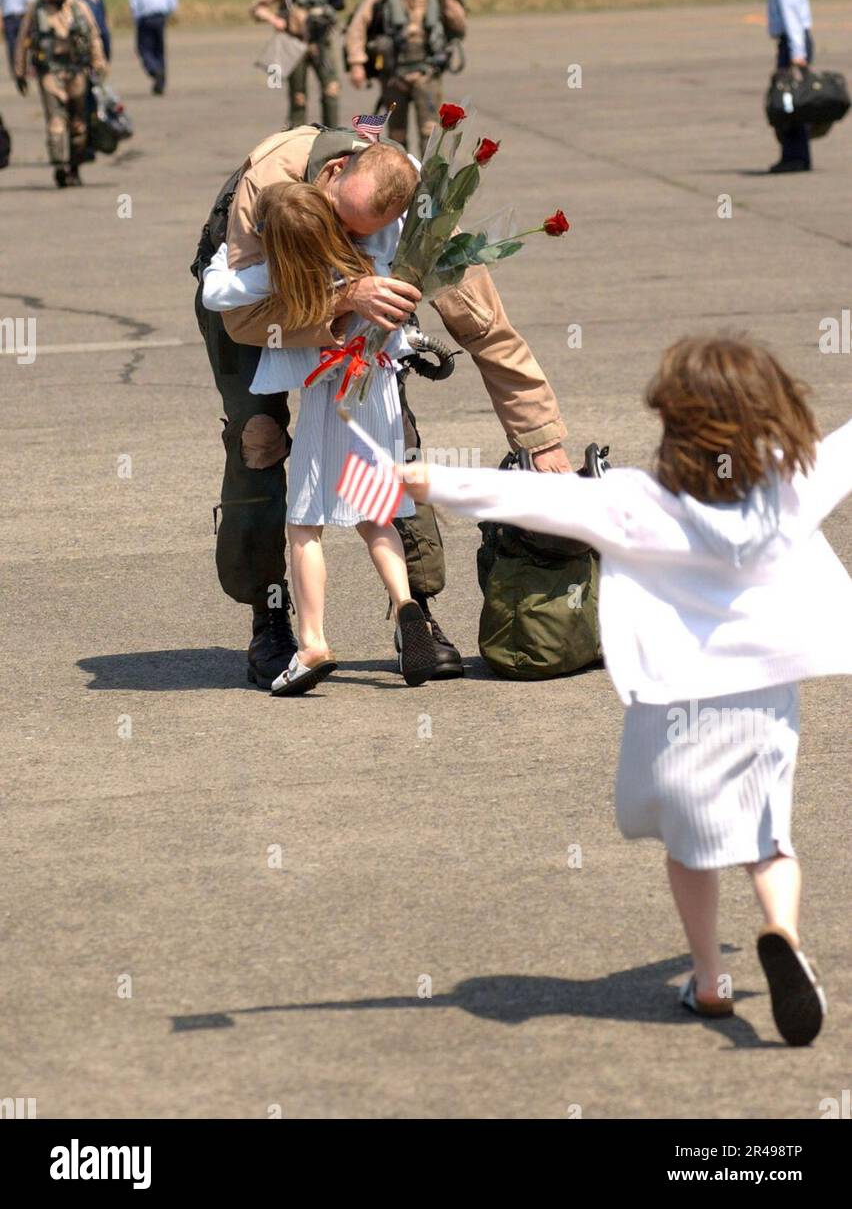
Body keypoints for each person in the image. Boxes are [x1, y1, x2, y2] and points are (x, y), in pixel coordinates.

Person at [399, 336, 852, 1047]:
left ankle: (708, 981)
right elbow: (845, 449)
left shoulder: (640, 502)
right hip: (763, 699)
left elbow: (532, 496)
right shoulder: (789, 490)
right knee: (769, 839)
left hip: (674, 707)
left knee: (690, 845)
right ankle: (782, 931)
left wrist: (424, 479)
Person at [192, 123, 569, 693]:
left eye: (360, 236)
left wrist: (541, 440)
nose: (345, 243)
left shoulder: (420, 209)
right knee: (259, 437)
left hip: (350, 327)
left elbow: (486, 329)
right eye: (339, 225)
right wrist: (341, 299)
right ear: (332, 174)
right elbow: (240, 318)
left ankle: (414, 610)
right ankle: (269, 617)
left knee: (393, 446)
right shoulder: (268, 185)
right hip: (256, 299)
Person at [203, 181, 439, 694]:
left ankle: (312, 644)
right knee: (377, 518)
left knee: (305, 527)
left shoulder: (281, 276)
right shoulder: (369, 255)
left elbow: (216, 292)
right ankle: (407, 607)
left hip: (329, 398)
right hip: (377, 395)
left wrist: (227, 253)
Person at [345, 0, 466, 154]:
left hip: (427, 72)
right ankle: (402, 184)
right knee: (397, 137)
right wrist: (356, 63)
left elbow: (460, 27)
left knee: (430, 134)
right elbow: (358, 25)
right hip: (395, 75)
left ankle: (428, 186)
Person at [13, 0, 106, 187]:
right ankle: (60, 167)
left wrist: (99, 63)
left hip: (76, 72)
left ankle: (74, 165)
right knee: (56, 122)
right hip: (50, 74)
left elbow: (93, 35)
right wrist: (20, 72)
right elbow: (22, 42)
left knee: (78, 122)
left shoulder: (78, 7)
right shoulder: (36, 10)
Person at [250, 0, 350, 129]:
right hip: (294, 43)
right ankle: (297, 135)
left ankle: (333, 134)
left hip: (322, 41)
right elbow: (256, 8)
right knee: (298, 97)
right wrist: (274, 19)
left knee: (332, 89)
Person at [766, 0, 813, 174]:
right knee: (792, 102)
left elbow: (792, 19)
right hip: (792, 44)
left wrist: (797, 55)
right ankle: (796, 155)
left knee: (789, 102)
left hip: (793, 44)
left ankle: (795, 156)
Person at [129, 0, 178, 94]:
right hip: (160, 18)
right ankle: (160, 84)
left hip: (145, 19)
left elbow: (134, 5)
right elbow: (173, 3)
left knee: (144, 49)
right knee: (159, 50)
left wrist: (137, 19)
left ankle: (154, 70)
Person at [1, 0, 34, 77]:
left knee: (23, 43)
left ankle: (25, 67)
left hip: (21, 18)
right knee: (11, 45)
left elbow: (30, 2)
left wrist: (29, 18)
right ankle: (15, 70)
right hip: (8, 19)